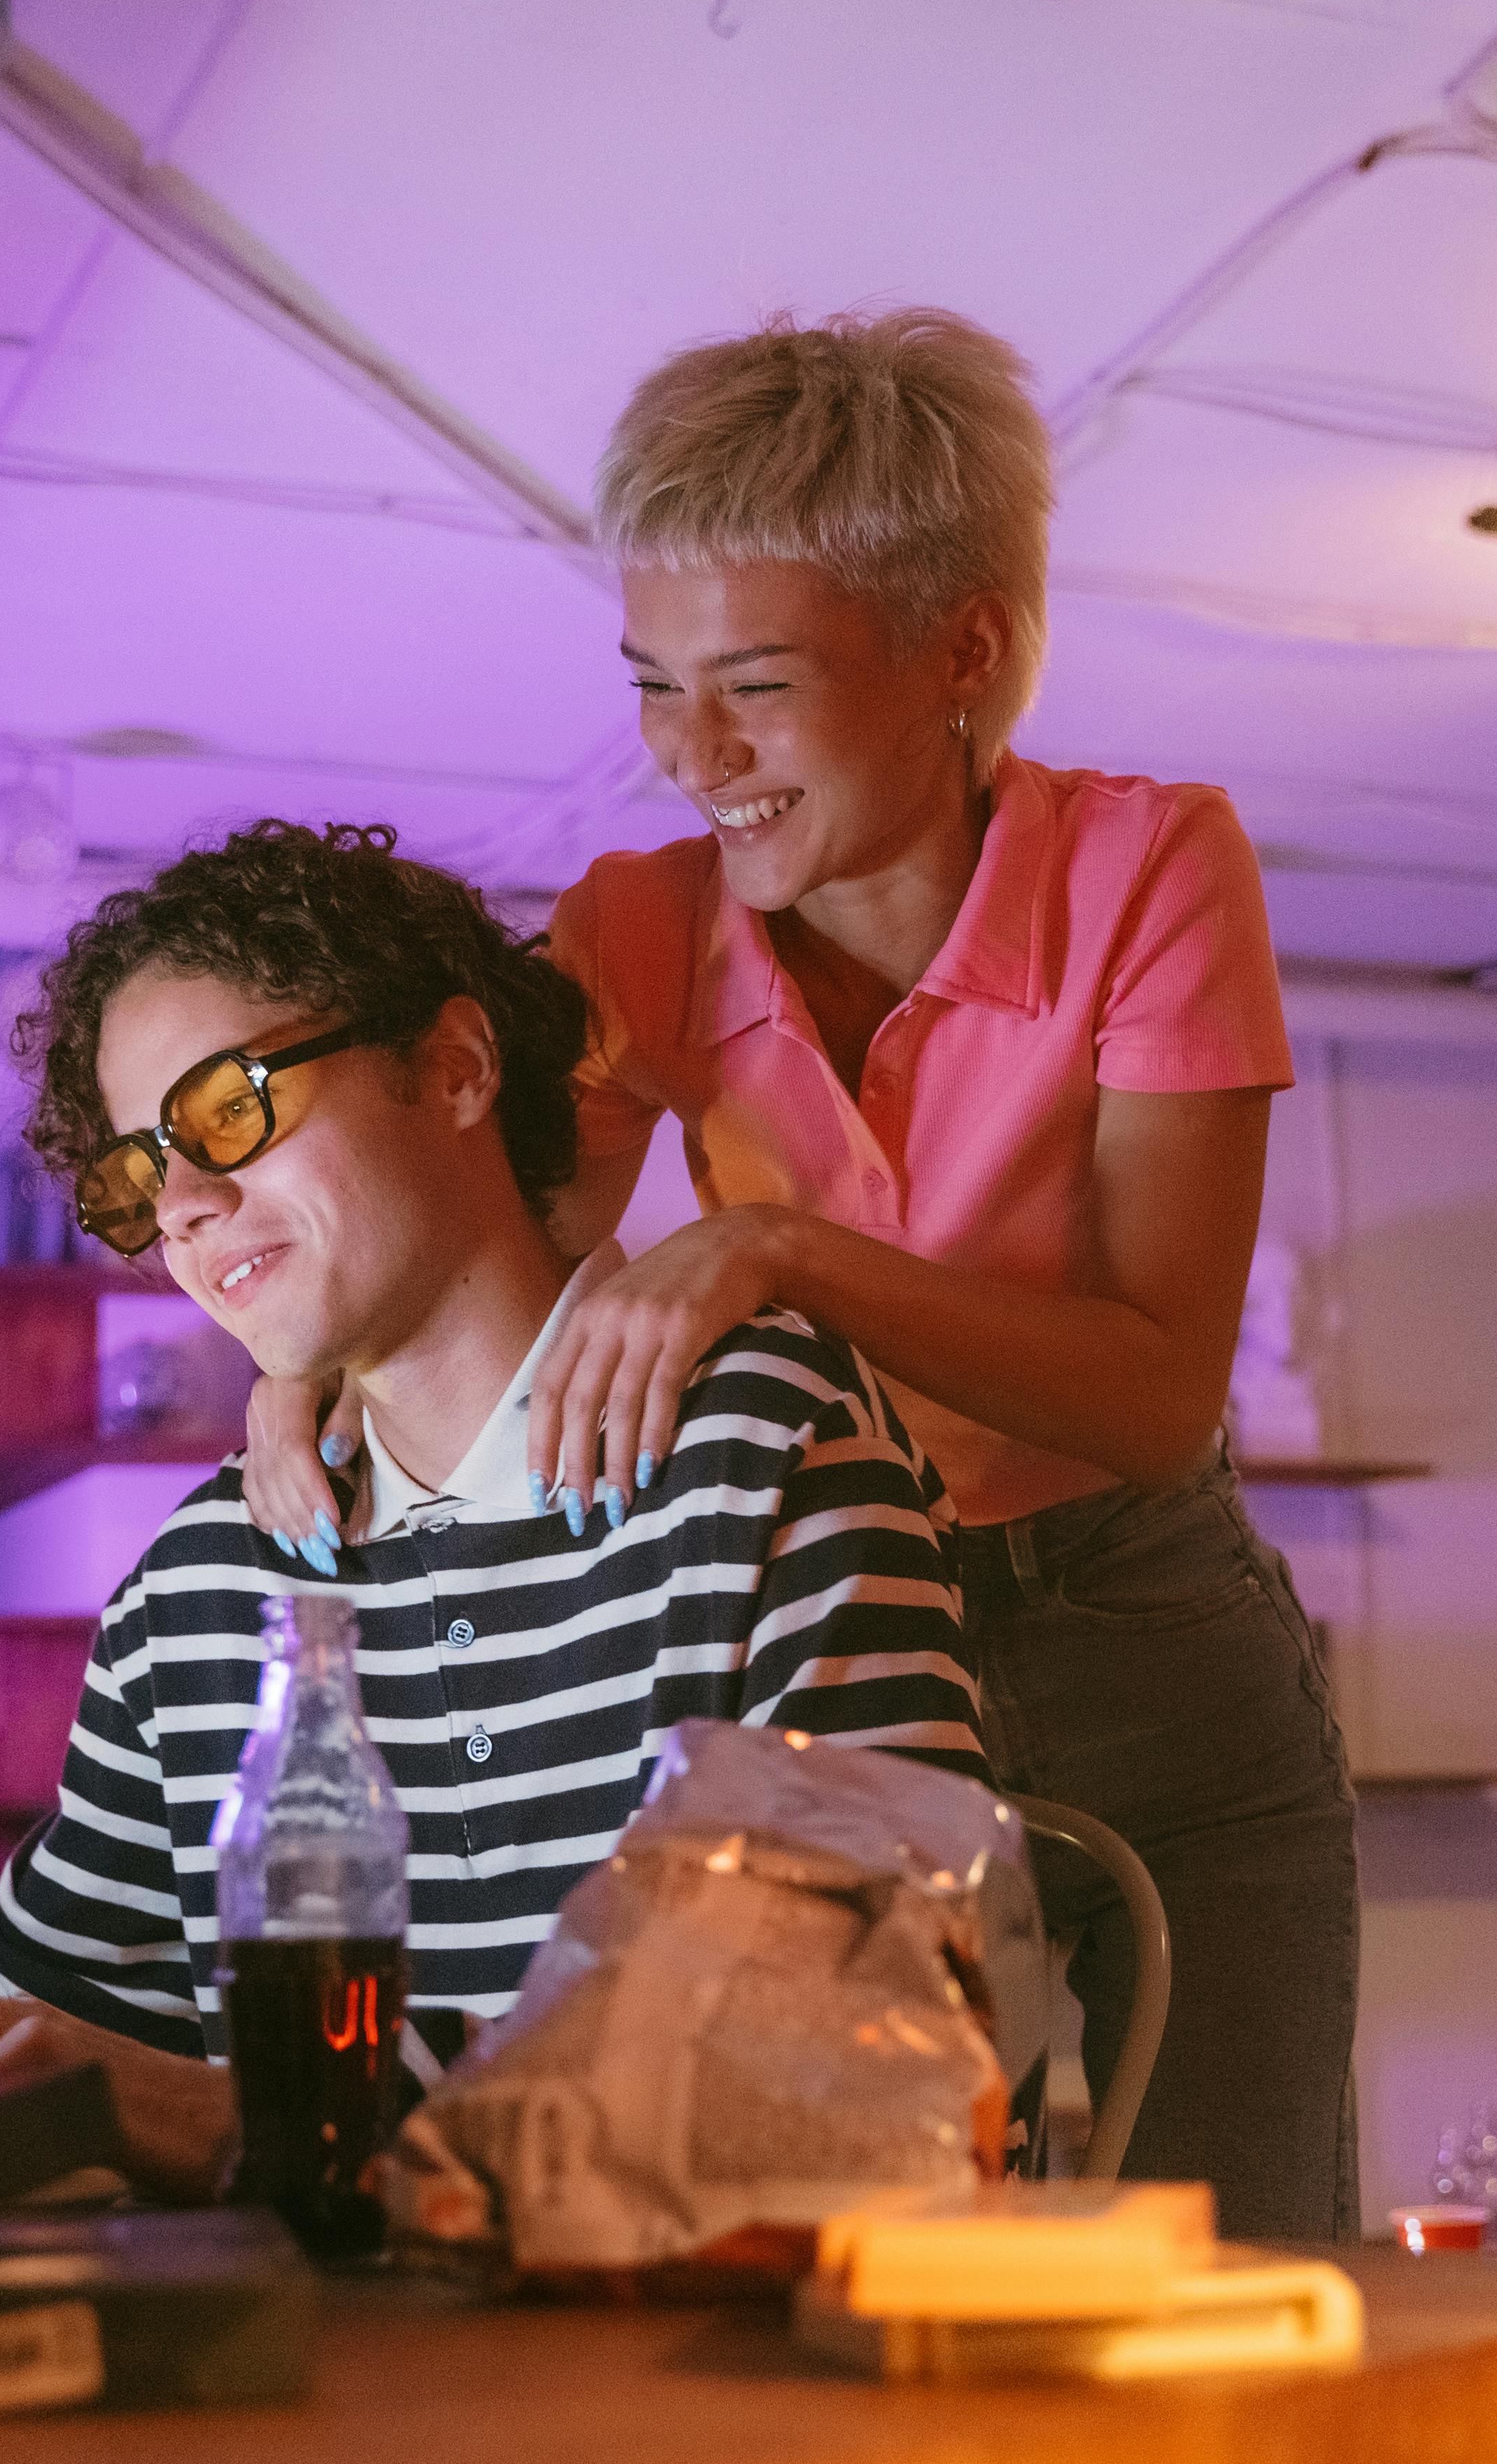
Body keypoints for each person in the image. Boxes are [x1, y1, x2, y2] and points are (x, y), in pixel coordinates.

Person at [242, 309, 1357, 2240]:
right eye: (656, 686)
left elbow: (1155, 1389)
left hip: (1154, 1629)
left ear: (962, 652)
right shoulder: (637, 924)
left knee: (1241, 2255)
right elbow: (484, 1271)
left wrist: (768, 1247)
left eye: (752, 684)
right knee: (855, 2243)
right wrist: (299, 1364)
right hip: (833, 1622)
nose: (691, 754)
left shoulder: (1152, 865)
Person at [0, 823, 982, 2187]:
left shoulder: (751, 1444)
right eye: (134, 1173)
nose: (177, 1205)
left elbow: (856, 2050)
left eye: (228, 1111)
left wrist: (224, 2113)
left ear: (453, 1064)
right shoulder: (204, 1591)